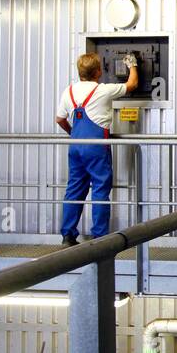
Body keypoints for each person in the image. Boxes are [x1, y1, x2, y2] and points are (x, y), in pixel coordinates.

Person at [55, 51, 138, 246]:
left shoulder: (68, 91)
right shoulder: (103, 90)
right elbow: (132, 84)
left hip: (75, 146)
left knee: (74, 189)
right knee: (100, 189)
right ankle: (99, 237)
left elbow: (60, 119)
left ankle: (68, 235)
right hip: (97, 147)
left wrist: (73, 133)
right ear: (98, 72)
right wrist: (132, 63)